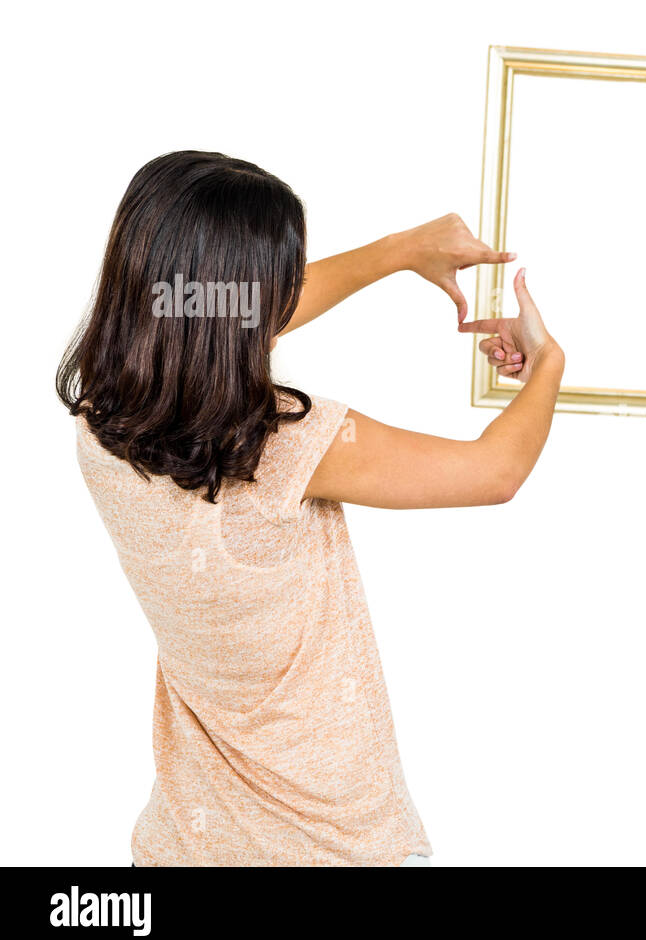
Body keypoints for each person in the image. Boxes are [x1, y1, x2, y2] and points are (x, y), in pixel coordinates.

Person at [59, 150, 564, 865]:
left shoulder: (99, 425)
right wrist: (548, 366)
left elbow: (208, 312)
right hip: (329, 845)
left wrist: (400, 252)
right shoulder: (287, 446)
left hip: (187, 843)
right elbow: (496, 470)